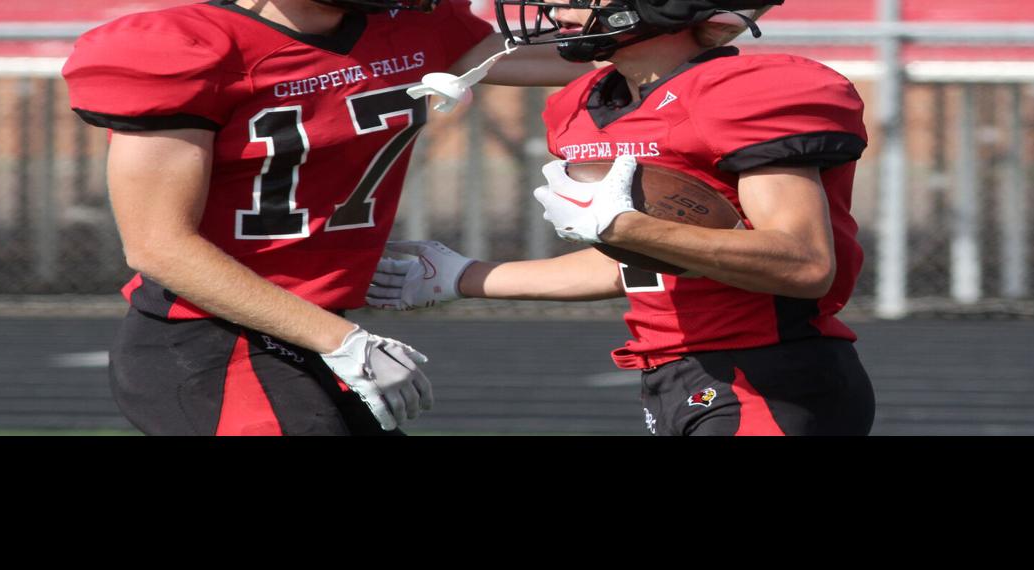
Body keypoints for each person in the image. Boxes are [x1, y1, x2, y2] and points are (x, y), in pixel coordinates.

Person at [62, 0, 582, 435]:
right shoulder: (188, 47)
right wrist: (341, 340)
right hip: (210, 338)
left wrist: (652, 19)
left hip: (314, 329)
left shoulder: (413, 29)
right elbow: (158, 246)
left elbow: (591, 61)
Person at [369, 0, 876, 436]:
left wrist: (626, 225)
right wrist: (465, 277)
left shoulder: (743, 92)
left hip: (770, 371)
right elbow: (647, 264)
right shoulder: (588, 106)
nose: (561, 9)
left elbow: (804, 263)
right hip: (675, 371)